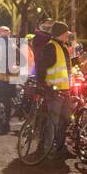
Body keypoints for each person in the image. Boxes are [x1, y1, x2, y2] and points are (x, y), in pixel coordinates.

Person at [32, 20, 73, 157]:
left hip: (64, 90)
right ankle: (47, 149)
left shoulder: (62, 46)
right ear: (62, 33)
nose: (68, 35)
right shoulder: (51, 47)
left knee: (64, 120)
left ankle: (60, 148)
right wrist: (44, 85)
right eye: (66, 32)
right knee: (53, 122)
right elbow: (42, 68)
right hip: (55, 91)